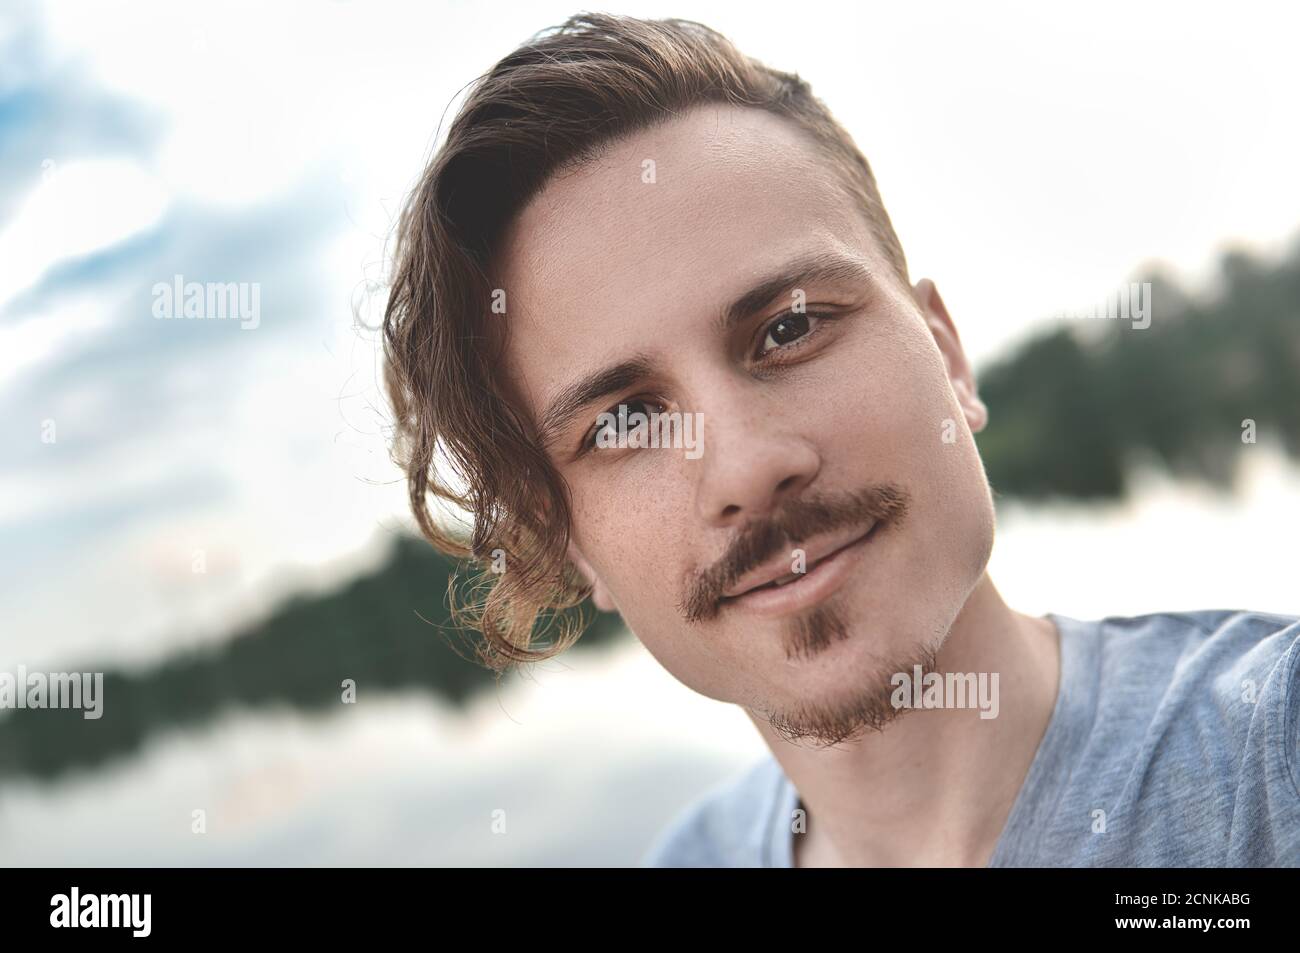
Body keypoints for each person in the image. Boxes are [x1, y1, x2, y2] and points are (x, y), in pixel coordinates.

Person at [381, 12, 1300, 866]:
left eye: (789, 328)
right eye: (624, 420)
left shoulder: (1270, 756)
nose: (745, 463)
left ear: (947, 353)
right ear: (571, 543)